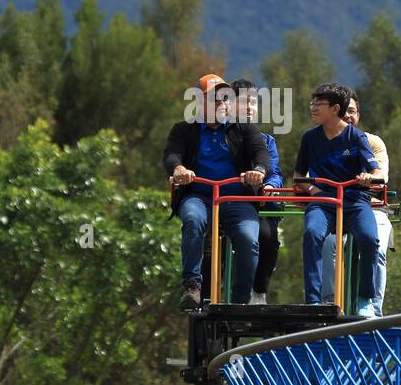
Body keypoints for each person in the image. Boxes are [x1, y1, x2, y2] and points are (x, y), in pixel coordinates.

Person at [163, 74, 270, 310]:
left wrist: (259, 170)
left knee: (247, 237)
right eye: (214, 99)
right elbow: (172, 154)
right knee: (192, 220)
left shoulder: (243, 128)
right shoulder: (184, 130)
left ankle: (240, 300)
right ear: (200, 102)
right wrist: (179, 168)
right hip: (199, 195)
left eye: (224, 99)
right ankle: (192, 286)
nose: (221, 104)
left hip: (236, 197)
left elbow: (261, 152)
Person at [293, 82, 384, 315]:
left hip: (354, 200)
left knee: (370, 239)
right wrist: (315, 192)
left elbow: (376, 174)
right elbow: (298, 177)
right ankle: (313, 301)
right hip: (323, 202)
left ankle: (366, 299)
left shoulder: (357, 137)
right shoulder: (309, 138)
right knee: (312, 234)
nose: (312, 108)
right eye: (312, 103)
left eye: (318, 104)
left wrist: (367, 177)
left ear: (334, 109)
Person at [325, 91, 391, 317]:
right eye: (343, 112)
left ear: (359, 115)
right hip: (337, 207)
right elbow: (306, 177)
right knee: (328, 244)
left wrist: (369, 178)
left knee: (377, 246)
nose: (348, 116)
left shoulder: (372, 142)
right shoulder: (323, 141)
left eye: (352, 111)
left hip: (372, 207)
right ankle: (329, 304)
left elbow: (381, 176)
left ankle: (372, 305)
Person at [229, 78, 283, 305]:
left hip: (259, 204)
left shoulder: (267, 141)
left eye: (254, 103)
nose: (250, 108)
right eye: (244, 102)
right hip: (231, 202)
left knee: (268, 237)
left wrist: (271, 185)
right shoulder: (223, 137)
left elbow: (275, 171)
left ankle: (258, 291)